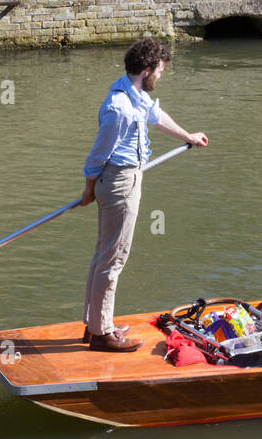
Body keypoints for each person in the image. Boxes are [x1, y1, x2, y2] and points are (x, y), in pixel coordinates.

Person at [81, 38, 208, 352]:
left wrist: (188, 136)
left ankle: (96, 323)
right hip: (121, 184)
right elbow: (98, 156)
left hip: (124, 180)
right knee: (113, 259)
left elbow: (156, 116)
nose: (160, 77)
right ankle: (100, 335)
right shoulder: (119, 108)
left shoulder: (133, 92)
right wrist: (88, 190)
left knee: (104, 255)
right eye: (160, 71)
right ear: (147, 69)